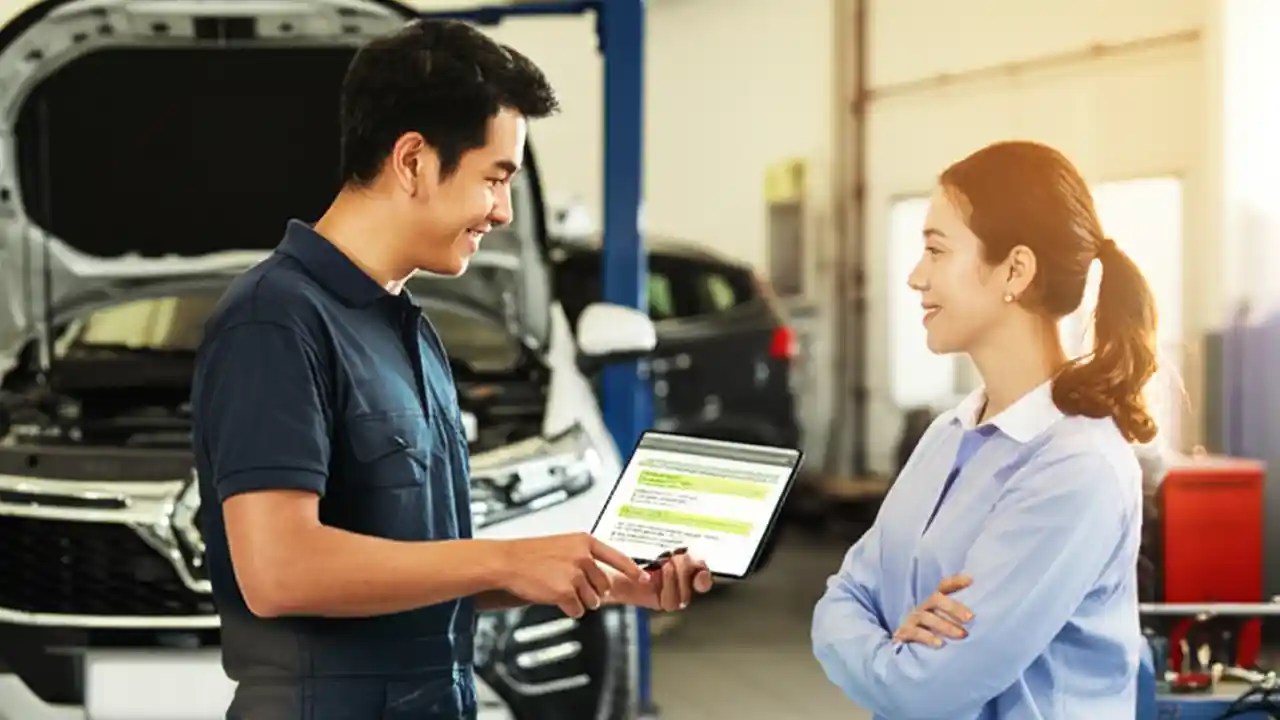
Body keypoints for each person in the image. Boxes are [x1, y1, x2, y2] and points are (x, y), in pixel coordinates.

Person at [190, 20, 712, 720]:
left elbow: (421, 567)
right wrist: (503, 561)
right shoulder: (275, 320)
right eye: (493, 179)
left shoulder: (409, 330)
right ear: (412, 161)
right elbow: (279, 571)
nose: (500, 211)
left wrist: (599, 578)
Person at [811, 140, 1158, 719]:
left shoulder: (1076, 466)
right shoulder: (949, 433)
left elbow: (923, 690)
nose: (916, 277)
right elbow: (839, 600)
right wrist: (893, 651)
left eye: (936, 251)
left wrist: (883, 653)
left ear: (1015, 270)